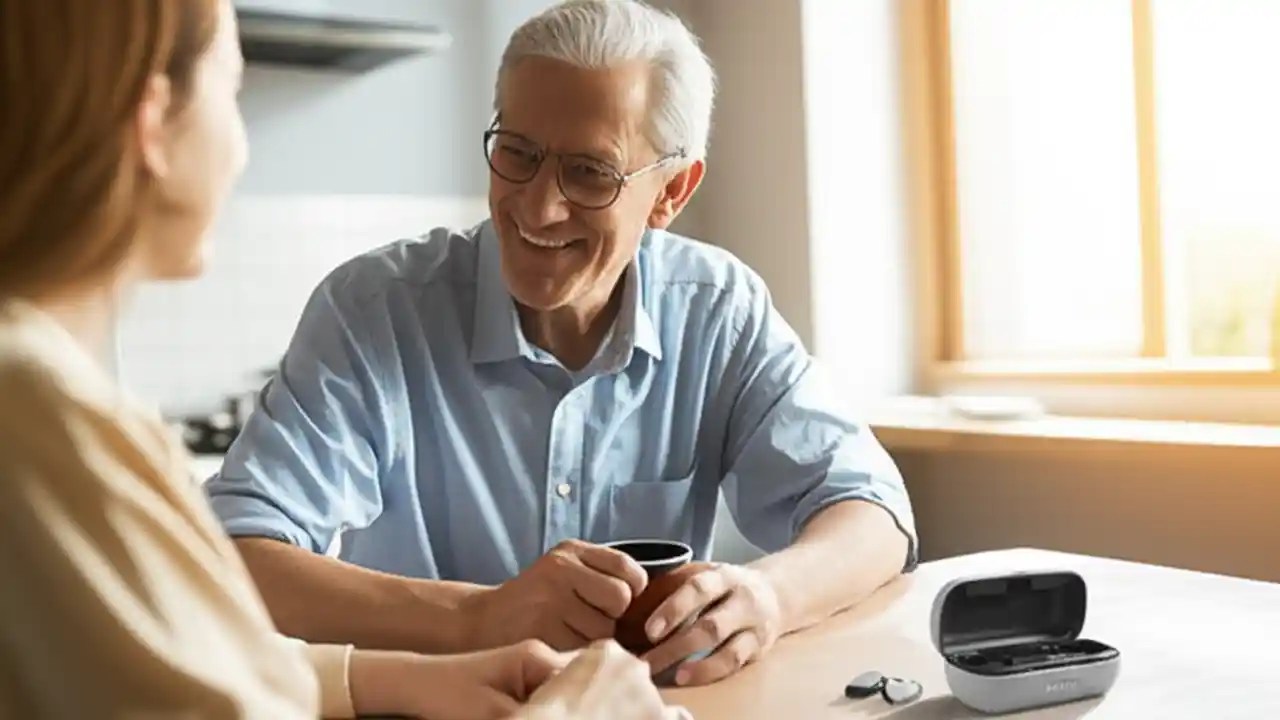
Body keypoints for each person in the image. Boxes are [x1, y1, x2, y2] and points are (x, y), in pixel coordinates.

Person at [0, 0, 686, 718]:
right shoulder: (46, 427)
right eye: (231, 94)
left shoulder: (39, 401)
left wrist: (381, 680)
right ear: (153, 123)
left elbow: (164, 664)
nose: (240, 146)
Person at [207, 0, 918, 687]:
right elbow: (230, 560)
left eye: (588, 172)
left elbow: (872, 512)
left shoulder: (717, 309)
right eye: (517, 153)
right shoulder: (374, 311)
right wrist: (479, 616)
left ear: (672, 190)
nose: (539, 206)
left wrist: (770, 597)